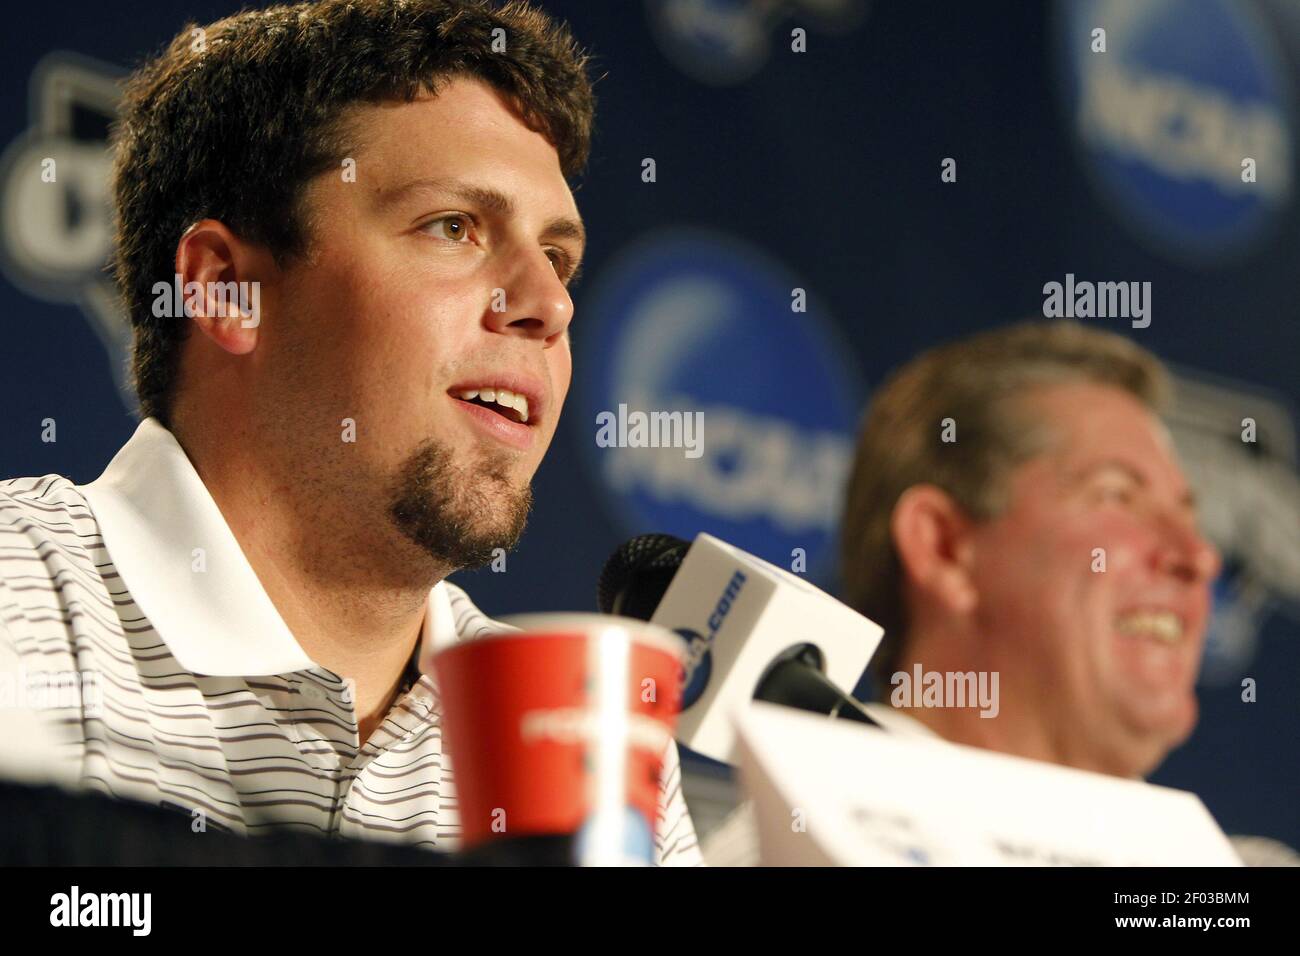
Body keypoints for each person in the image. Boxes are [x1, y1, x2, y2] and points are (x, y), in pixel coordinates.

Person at [0, 0, 700, 865]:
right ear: (224, 290)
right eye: (455, 227)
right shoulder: (18, 592)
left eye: (558, 259)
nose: (549, 304)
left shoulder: (576, 727)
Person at [706, 320, 1292, 865]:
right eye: (1118, 495)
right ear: (944, 547)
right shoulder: (789, 845)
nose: (1197, 557)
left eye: (1193, 519)